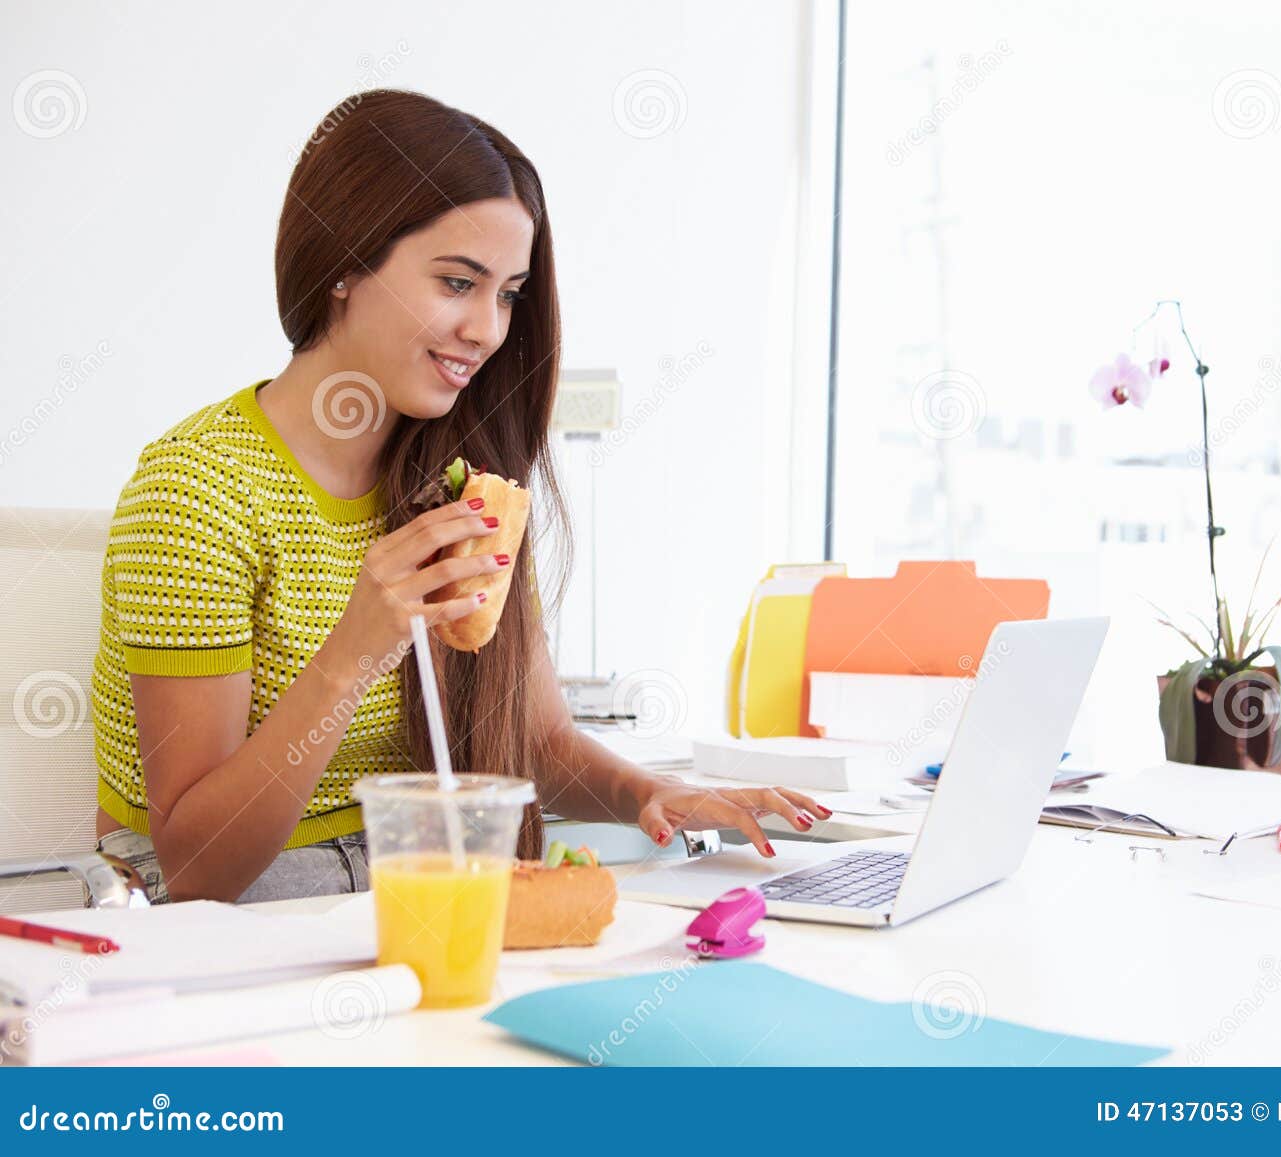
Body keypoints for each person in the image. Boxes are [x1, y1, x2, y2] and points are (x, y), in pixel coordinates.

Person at [88, 89, 829, 905]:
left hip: (418, 875)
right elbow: (199, 865)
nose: (488, 328)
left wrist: (644, 793)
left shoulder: (458, 481)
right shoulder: (196, 493)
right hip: (248, 905)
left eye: (508, 293)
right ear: (344, 264)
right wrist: (357, 650)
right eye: (456, 282)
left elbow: (537, 738)